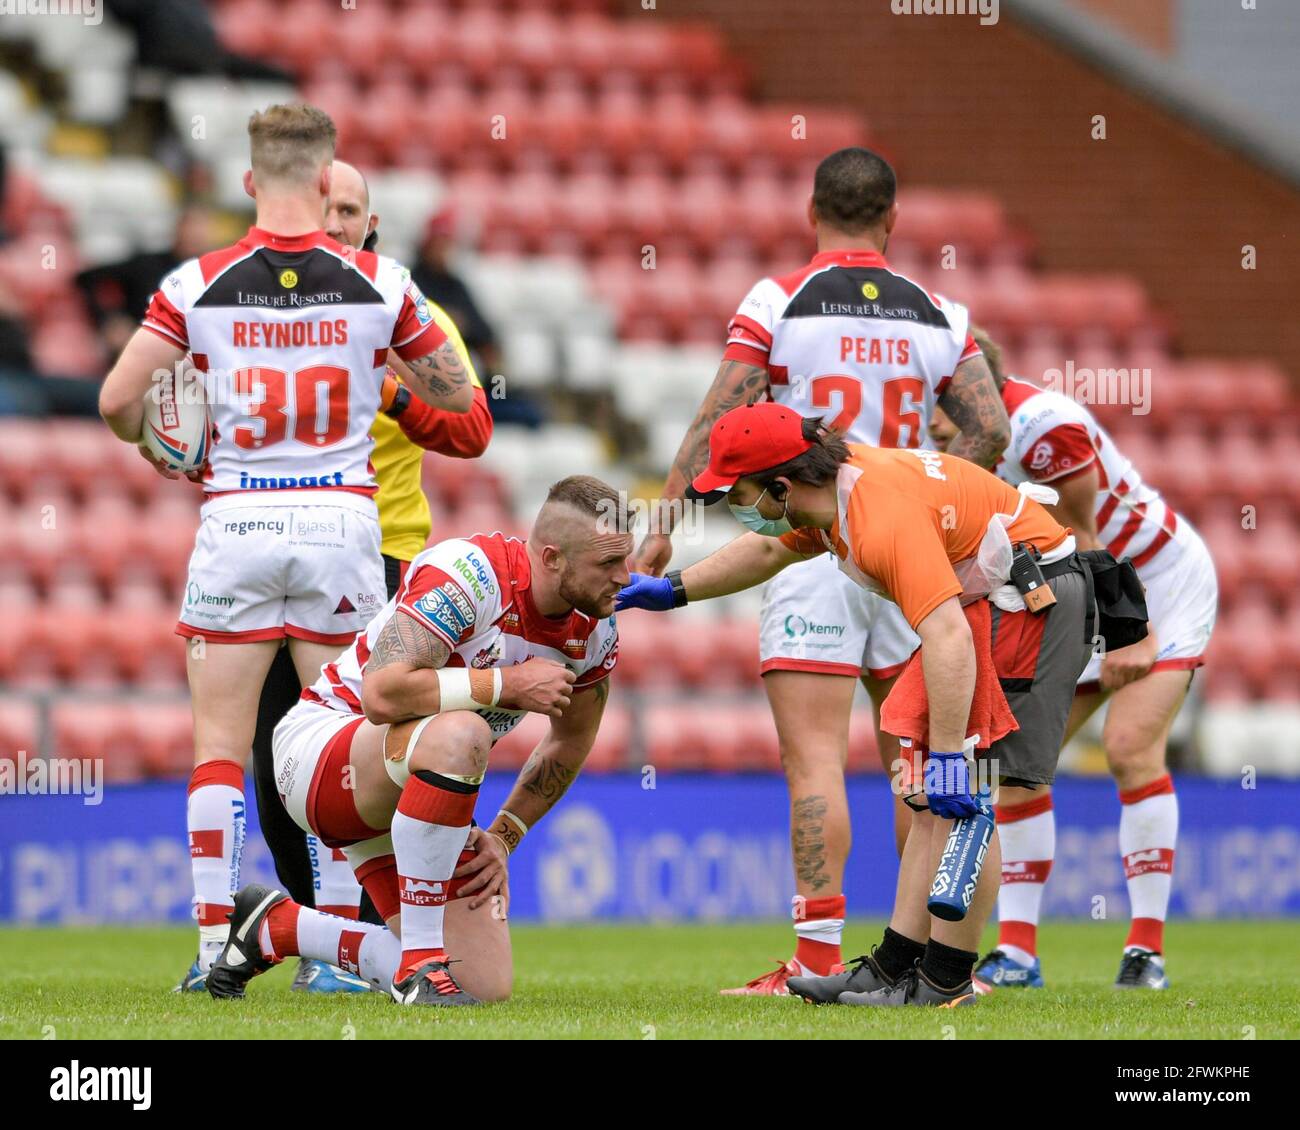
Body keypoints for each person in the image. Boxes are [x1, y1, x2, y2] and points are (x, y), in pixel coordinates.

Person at [98, 103, 475, 991]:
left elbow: (118, 399)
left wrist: (170, 449)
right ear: (322, 180)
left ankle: (211, 947)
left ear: (248, 183)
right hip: (343, 525)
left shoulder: (197, 282)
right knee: (337, 738)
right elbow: (459, 397)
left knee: (221, 749)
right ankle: (342, 952)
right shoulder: (382, 280)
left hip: (237, 519)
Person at [629, 146, 1010, 994]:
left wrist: (661, 525)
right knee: (923, 767)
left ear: (813, 213)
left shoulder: (779, 300)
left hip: (814, 542)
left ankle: (818, 960)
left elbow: (719, 413)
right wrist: (938, 494)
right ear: (894, 221)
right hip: (908, 546)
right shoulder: (940, 312)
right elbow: (988, 429)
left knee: (815, 765)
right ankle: (939, 962)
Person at [618, 401, 1094, 1007]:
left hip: (1028, 602)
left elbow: (946, 633)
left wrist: (950, 753)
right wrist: (674, 590)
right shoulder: (831, 498)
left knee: (966, 792)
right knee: (927, 794)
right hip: (995, 598)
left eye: (738, 491)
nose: (732, 505)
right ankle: (897, 966)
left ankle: (946, 981)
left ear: (783, 486)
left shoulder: (877, 515)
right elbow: (768, 553)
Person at [208, 476, 628, 1006]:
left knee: (483, 986)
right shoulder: (469, 575)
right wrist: (506, 684)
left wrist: (504, 836)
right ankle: (421, 963)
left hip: (416, 783)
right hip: (324, 748)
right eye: (608, 564)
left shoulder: (595, 630)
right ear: (552, 558)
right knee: (464, 732)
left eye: (625, 560)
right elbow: (382, 694)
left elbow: (570, 741)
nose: (625, 577)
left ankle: (277, 927)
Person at [246, 159, 495, 994]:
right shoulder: (254, 305)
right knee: (276, 753)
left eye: (350, 209)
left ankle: (352, 943)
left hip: (380, 560)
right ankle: (318, 933)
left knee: (363, 747)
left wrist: (390, 391)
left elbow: (472, 425)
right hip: (273, 555)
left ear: (372, 222)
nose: (339, 221)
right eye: (325, 208)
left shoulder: (401, 309)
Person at [929, 330, 1217, 991]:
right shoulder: (959, 445)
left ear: (979, 397)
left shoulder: (1044, 427)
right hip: (1064, 595)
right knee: (1021, 764)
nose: (936, 431)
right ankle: (1018, 956)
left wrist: (1132, 636)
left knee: (1128, 746)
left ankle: (1146, 953)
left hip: (1155, 584)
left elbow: (1086, 538)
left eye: (943, 415)